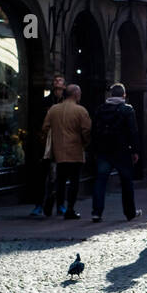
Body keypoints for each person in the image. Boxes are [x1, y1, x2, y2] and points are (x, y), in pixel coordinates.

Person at [39, 82, 91, 220]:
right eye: (79, 93)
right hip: (75, 151)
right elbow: (86, 130)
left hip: (58, 151)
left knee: (60, 180)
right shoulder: (81, 111)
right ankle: (70, 209)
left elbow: (45, 128)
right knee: (74, 181)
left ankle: (55, 200)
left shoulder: (54, 109)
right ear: (75, 94)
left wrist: (50, 143)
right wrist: (85, 143)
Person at [91, 84, 142, 223]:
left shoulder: (100, 109)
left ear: (111, 95)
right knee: (126, 182)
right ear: (124, 95)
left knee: (100, 181)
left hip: (103, 150)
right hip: (122, 151)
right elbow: (133, 131)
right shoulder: (127, 110)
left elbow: (94, 130)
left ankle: (96, 212)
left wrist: (94, 149)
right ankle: (130, 212)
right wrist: (135, 150)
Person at [31, 73, 68, 218]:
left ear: (64, 86)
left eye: (60, 80)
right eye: (56, 80)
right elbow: (37, 121)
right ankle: (39, 205)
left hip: (62, 143)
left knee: (61, 176)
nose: (57, 82)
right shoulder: (45, 101)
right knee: (42, 176)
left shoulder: (67, 103)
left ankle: (60, 205)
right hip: (46, 143)